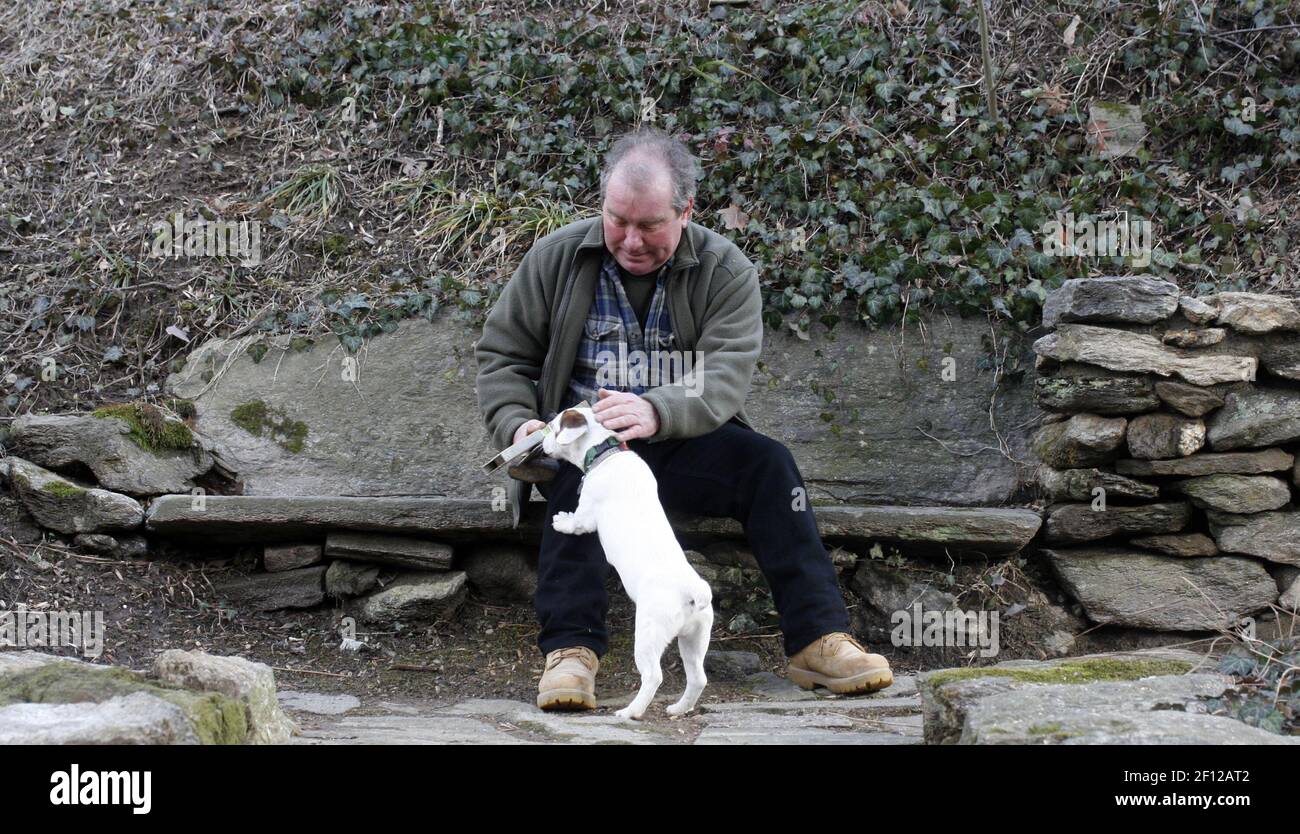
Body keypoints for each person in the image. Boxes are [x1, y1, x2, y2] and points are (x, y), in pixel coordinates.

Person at [474, 127, 893, 711]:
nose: (630, 239)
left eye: (650, 225)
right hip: (593, 451)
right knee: (575, 485)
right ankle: (571, 653)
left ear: (686, 211)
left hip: (685, 441)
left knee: (769, 465)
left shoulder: (726, 269)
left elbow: (726, 371)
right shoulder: (555, 259)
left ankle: (818, 640)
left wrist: (657, 409)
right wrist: (518, 423)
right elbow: (503, 357)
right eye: (618, 220)